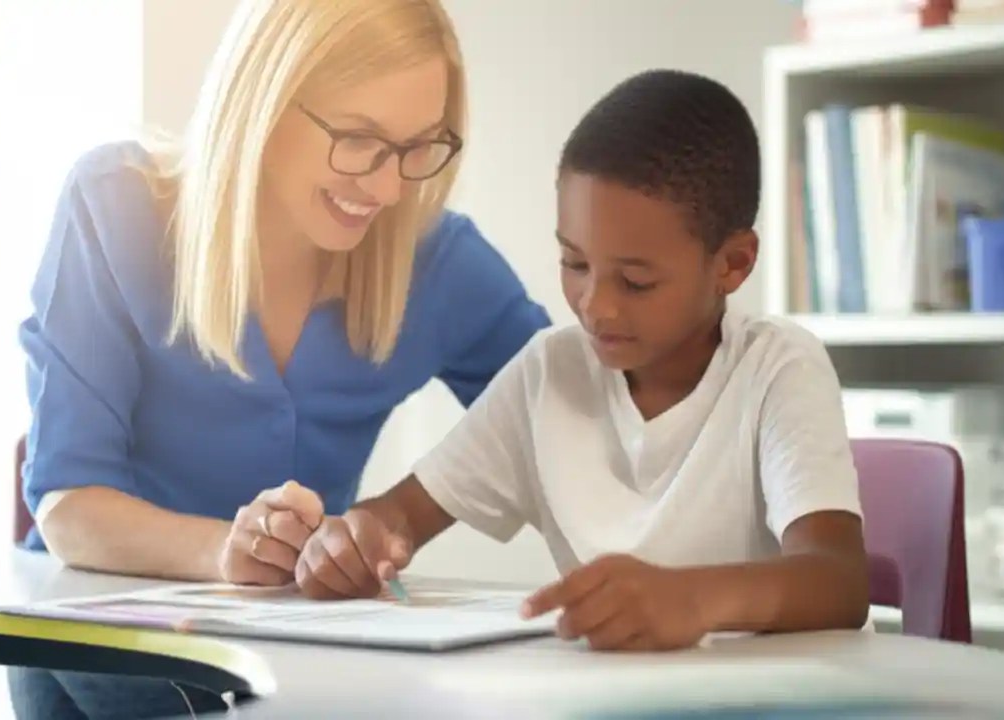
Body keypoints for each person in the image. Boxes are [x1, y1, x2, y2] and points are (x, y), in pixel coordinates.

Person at [8, 0, 549, 717]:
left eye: (420, 145)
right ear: (265, 101)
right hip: (107, 646)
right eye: (359, 139)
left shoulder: (438, 260)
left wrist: (401, 517)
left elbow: (565, 419)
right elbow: (70, 506)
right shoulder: (115, 207)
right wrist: (227, 550)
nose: (389, 188)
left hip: (306, 654)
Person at [293, 68, 870, 652]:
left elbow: (839, 581)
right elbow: (399, 516)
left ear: (732, 264)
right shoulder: (551, 371)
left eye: (636, 281)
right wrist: (360, 538)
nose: (596, 305)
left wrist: (692, 599)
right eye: (574, 263)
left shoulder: (778, 368)